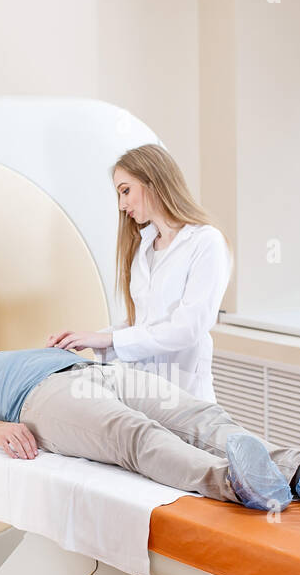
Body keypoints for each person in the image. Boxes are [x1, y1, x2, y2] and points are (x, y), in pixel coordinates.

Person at [0, 333, 300, 511]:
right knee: (134, 433)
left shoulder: (17, 351)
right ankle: (236, 483)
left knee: (198, 415)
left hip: (97, 372)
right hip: (41, 398)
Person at [46, 144, 231, 402]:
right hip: (143, 392)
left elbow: (188, 328)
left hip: (186, 395)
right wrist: (89, 338)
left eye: (126, 191)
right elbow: (142, 322)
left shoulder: (205, 241)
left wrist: (108, 339)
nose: (122, 205)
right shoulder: (144, 248)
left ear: (152, 181)